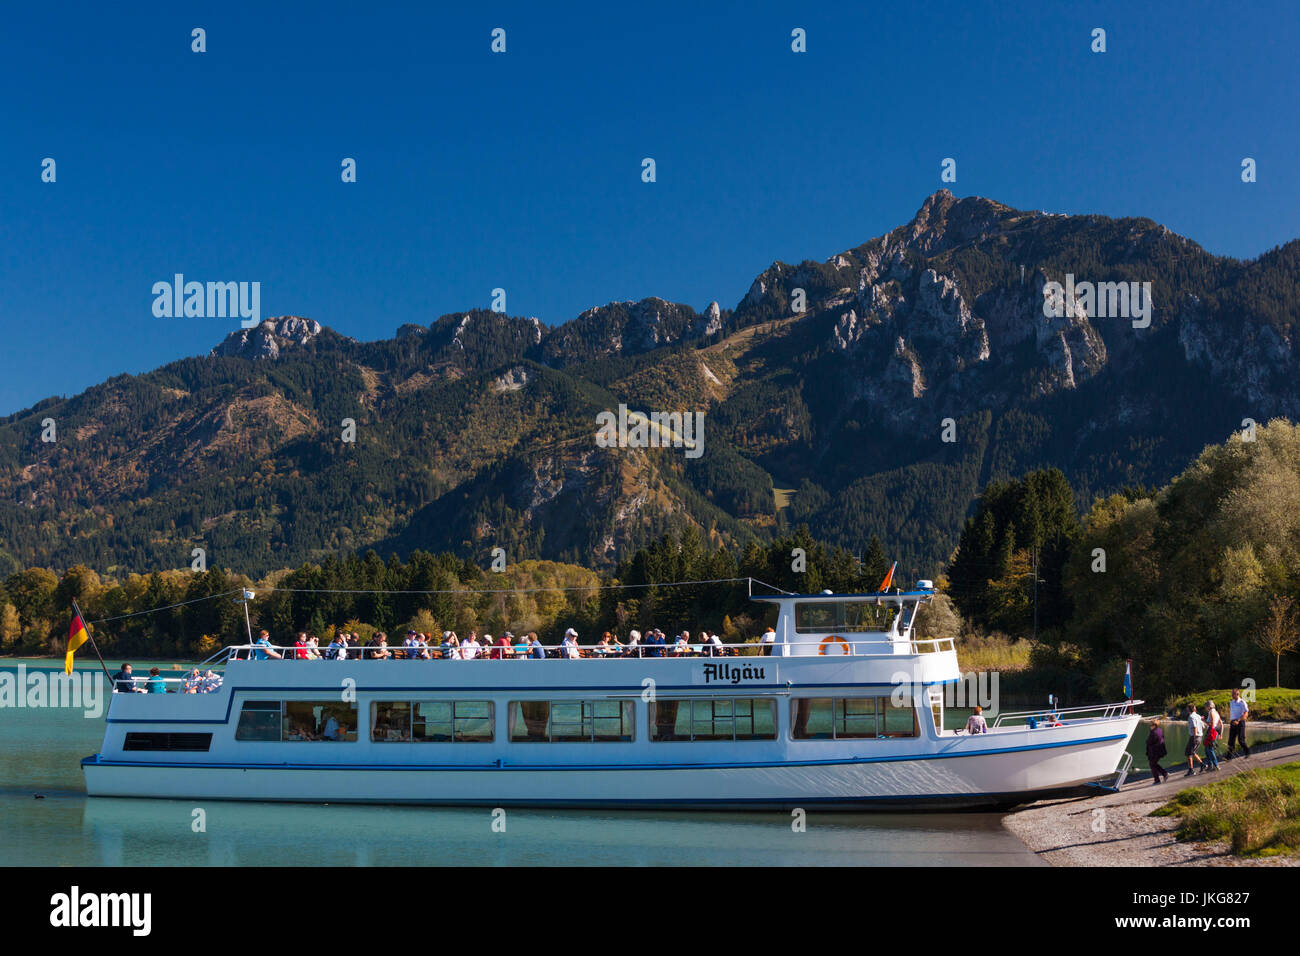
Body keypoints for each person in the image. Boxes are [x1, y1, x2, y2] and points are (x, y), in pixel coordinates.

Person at [1226, 688, 1251, 759]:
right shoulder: (1231, 702)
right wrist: (1232, 721)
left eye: (1233, 694)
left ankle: (1247, 752)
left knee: (1241, 740)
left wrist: (1238, 720)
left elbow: (1246, 713)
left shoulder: (1242, 702)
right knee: (1231, 740)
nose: (1232, 696)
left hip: (1240, 722)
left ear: (1237, 694)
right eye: (1232, 694)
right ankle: (1229, 756)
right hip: (1233, 722)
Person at [1145, 719, 1169, 784]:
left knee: (1152, 764)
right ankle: (1164, 774)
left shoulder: (1153, 732)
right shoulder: (1160, 730)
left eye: (1151, 725)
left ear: (1154, 725)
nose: (1150, 726)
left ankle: (1157, 780)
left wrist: (1147, 742)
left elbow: (1149, 741)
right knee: (1154, 764)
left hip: (1155, 751)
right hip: (1160, 750)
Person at [1185, 704, 1205, 776]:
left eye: (1187, 709)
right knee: (1192, 752)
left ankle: (1191, 770)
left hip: (1194, 736)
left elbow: (1194, 727)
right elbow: (1203, 726)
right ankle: (1202, 764)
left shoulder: (1191, 717)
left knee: (1188, 753)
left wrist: (1194, 737)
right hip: (1200, 736)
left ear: (1188, 710)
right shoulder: (1198, 716)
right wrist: (1200, 733)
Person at [1203, 701, 1222, 772]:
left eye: (1206, 707)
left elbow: (1212, 723)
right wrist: (1220, 733)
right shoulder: (1216, 712)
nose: (1205, 708)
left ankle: (1216, 765)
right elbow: (1220, 723)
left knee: (1209, 749)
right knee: (1207, 749)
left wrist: (1203, 720)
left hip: (1211, 732)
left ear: (1209, 706)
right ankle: (1211, 765)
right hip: (1215, 732)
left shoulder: (1211, 712)